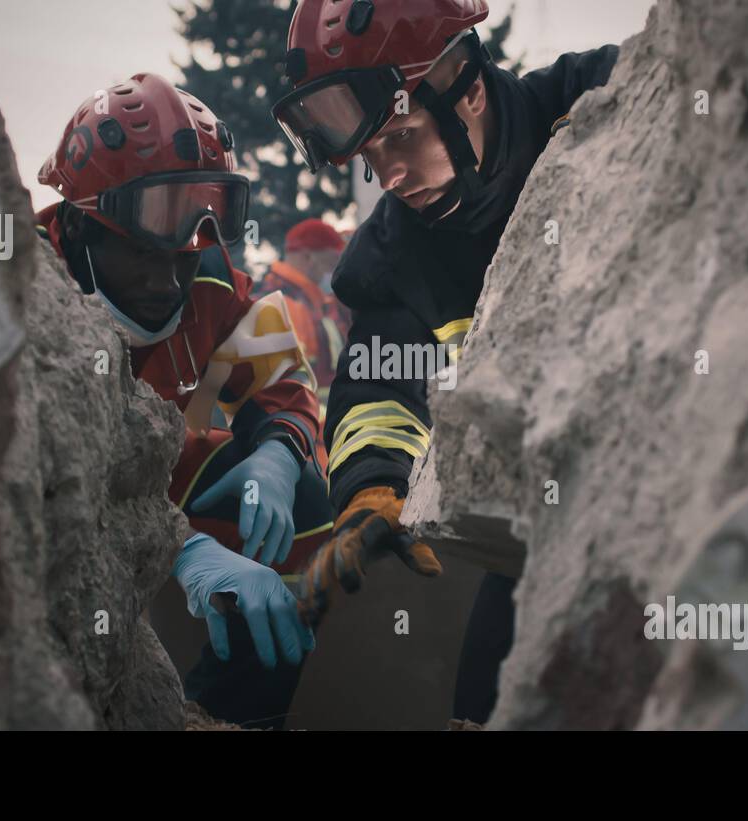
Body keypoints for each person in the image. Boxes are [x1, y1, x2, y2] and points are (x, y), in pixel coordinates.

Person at [272, 0, 620, 723]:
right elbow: (378, 385)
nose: (391, 176)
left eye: (401, 137)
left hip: (683, 464)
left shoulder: (603, 103)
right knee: (489, 699)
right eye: (372, 156)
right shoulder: (396, 257)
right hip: (547, 516)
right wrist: (372, 488)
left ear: (468, 89)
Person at [36, 72, 333, 728]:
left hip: (160, 493)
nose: (172, 273)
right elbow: (45, 492)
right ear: (83, 227)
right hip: (62, 522)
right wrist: (187, 551)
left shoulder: (204, 281)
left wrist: (280, 457)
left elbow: (284, 385)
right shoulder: (26, 295)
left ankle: (222, 711)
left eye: (196, 230)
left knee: (305, 500)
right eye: (150, 241)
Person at [254, 219, 352, 407]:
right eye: (333, 263)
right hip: (309, 429)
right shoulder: (286, 308)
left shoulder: (311, 303)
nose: (336, 271)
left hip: (314, 427)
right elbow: (286, 393)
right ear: (308, 258)